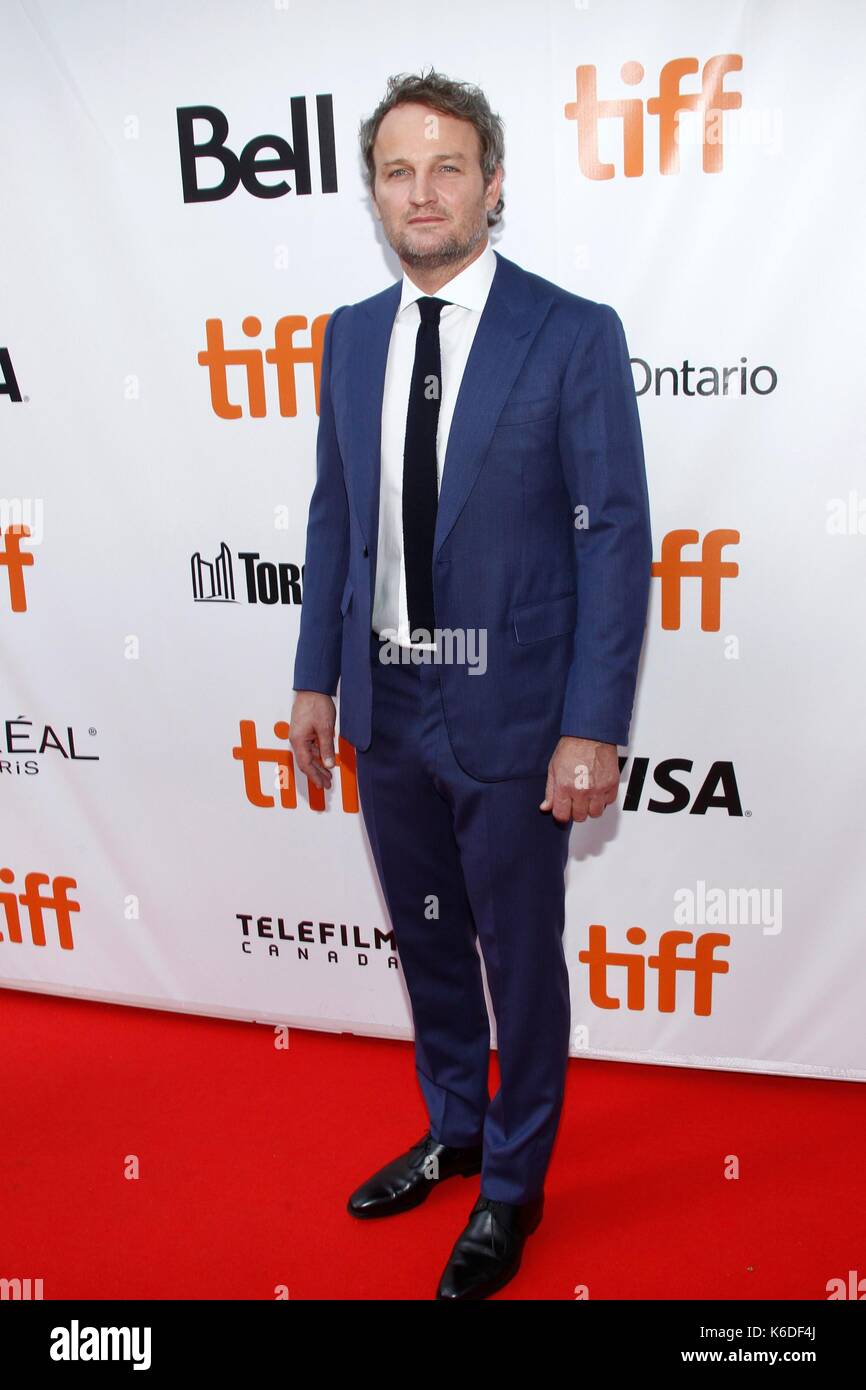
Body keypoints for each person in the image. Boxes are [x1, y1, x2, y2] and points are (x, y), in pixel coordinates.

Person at [290, 67, 652, 1300]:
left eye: (447, 166)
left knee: (519, 953)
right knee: (430, 941)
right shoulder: (346, 336)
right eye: (398, 170)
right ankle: (451, 1124)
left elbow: (613, 536)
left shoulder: (570, 331)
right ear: (373, 194)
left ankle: (510, 1182)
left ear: (493, 184)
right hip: (386, 702)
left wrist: (591, 724)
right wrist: (312, 681)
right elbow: (335, 517)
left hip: (512, 707)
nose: (422, 191)